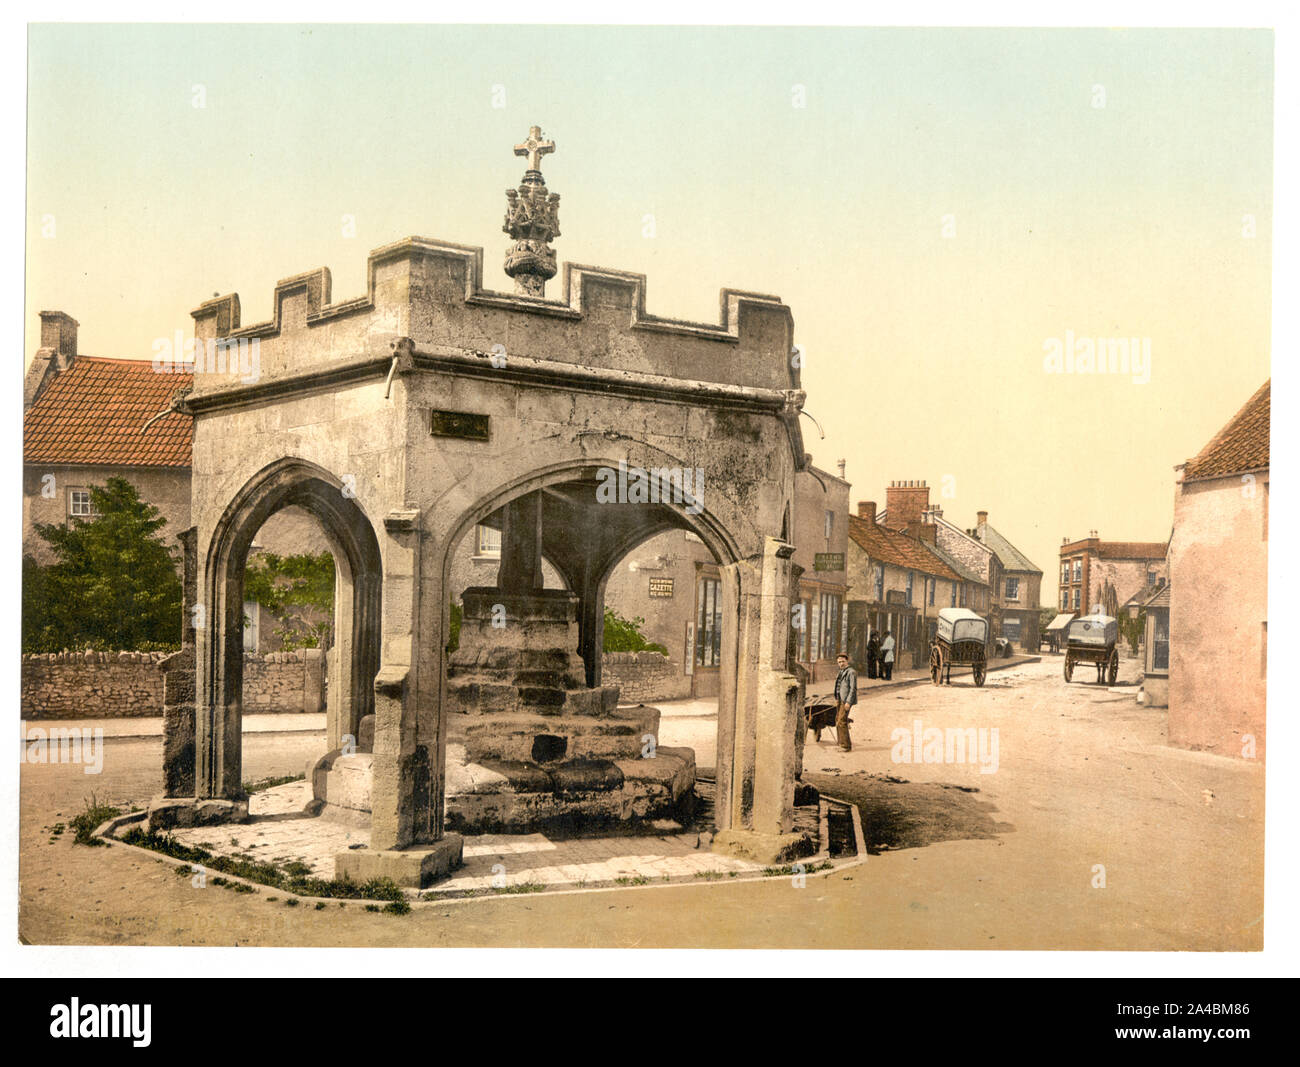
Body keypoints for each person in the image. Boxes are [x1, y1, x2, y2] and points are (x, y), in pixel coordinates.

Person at [833, 652, 857, 752]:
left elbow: (853, 689)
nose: (841, 664)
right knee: (838, 720)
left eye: (843, 661)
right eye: (839, 662)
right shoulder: (841, 672)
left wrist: (848, 702)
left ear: (847, 661)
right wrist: (837, 699)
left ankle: (846, 746)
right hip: (840, 699)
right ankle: (841, 743)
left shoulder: (851, 672)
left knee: (842, 721)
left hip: (846, 700)